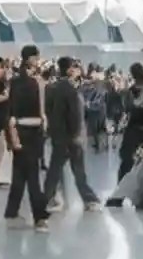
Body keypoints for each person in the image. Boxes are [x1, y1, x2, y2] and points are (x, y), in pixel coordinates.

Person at [43, 58, 102, 213]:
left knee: (55, 169)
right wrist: (76, 133)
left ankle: (48, 198)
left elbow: (48, 110)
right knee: (78, 170)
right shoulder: (70, 89)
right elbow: (75, 113)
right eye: (75, 67)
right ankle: (89, 200)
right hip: (71, 136)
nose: (78, 70)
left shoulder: (52, 88)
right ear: (69, 70)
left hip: (58, 134)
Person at [3, 45, 49, 231]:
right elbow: (42, 111)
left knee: (19, 172)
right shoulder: (37, 82)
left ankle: (12, 209)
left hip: (18, 130)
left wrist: (11, 137)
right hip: (33, 131)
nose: (38, 60)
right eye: (36, 57)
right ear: (31, 59)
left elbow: (10, 111)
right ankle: (39, 217)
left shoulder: (15, 82)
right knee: (33, 175)